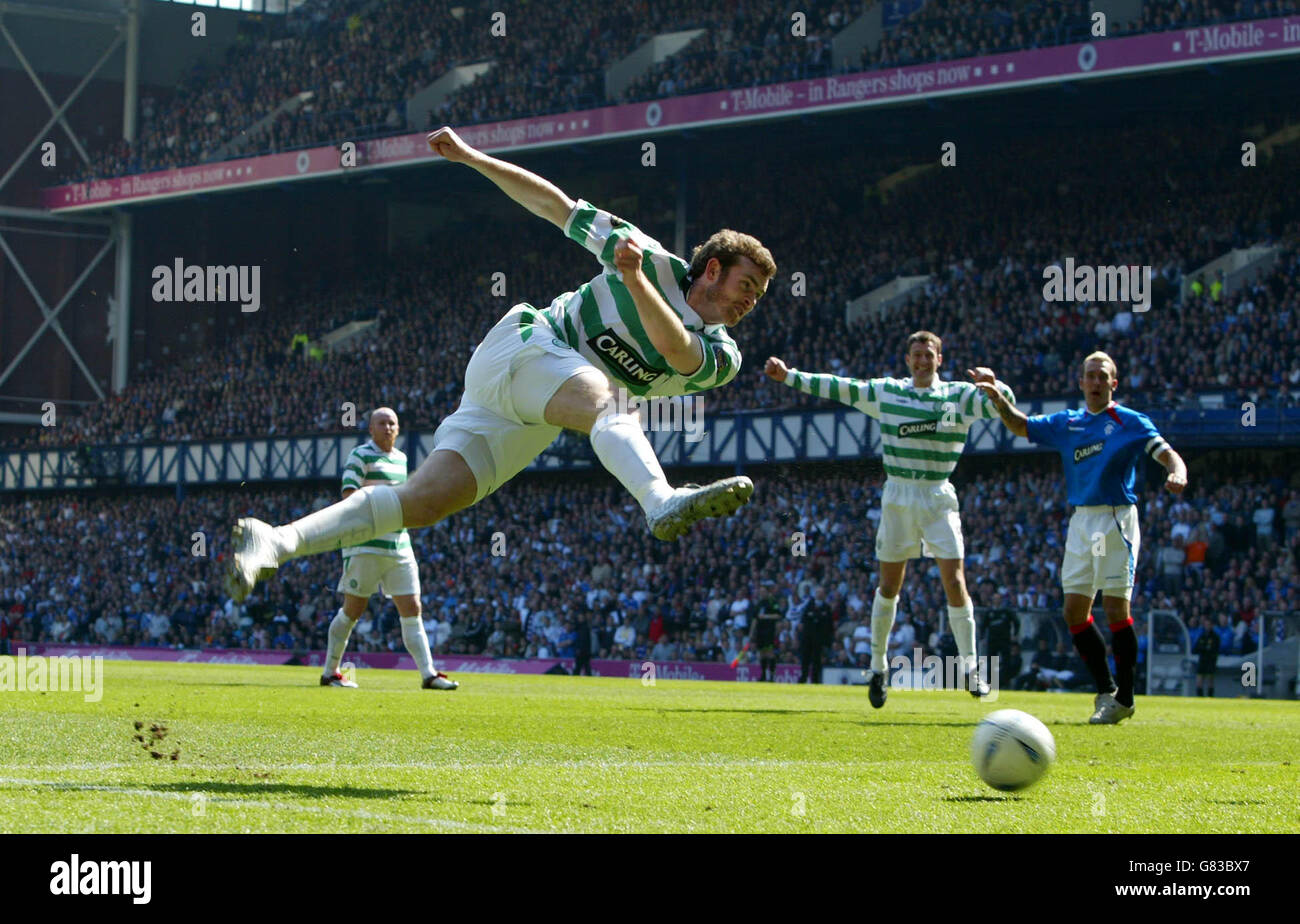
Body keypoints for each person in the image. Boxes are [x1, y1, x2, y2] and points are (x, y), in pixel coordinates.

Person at [226, 125, 776, 603]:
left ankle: (274, 541)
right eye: (745, 285)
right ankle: (659, 502)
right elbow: (556, 207)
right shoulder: (648, 258)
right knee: (614, 405)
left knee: (421, 503)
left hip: (536, 408)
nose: (749, 301)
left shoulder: (723, 354)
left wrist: (630, 281)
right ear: (711, 270)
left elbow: (677, 349)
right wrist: (472, 158)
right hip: (528, 344)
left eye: (758, 295)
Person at [766, 331, 1017, 708]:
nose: (921, 360)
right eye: (916, 354)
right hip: (899, 495)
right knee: (889, 586)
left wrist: (996, 386)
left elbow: (1005, 408)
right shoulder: (889, 393)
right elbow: (841, 387)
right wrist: (790, 376)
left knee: (955, 580)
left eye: (928, 354)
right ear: (907, 359)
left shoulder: (959, 397)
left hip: (938, 495)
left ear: (939, 359)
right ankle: (878, 667)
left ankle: (970, 668)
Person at [975, 350, 1187, 723]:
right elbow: (1021, 425)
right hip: (1081, 523)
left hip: (1114, 519)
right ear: (1080, 383)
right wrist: (997, 398)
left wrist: (1178, 472)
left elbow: (1168, 454)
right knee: (1074, 612)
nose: (1095, 382)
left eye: (1102, 376)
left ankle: (1125, 697)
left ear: (1113, 384)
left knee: (1116, 608)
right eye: (1090, 375)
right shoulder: (1067, 423)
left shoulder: (1130, 421)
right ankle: (1106, 692)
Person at [318, 408, 459, 690]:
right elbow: (348, 495)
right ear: (370, 429)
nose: (387, 427)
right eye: (381, 423)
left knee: (412, 607)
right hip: (365, 545)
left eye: (392, 423)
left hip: (399, 544)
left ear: (398, 428)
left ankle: (428, 675)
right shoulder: (360, 455)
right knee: (353, 610)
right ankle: (330, 671)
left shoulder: (401, 459)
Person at [798, 586, 833, 683]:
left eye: (821, 592)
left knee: (816, 660)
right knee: (805, 658)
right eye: (817, 592)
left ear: (824, 594)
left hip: (819, 638)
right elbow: (805, 619)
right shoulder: (809, 605)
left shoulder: (826, 607)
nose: (819, 594)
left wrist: (814, 616)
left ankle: (815, 680)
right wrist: (818, 616)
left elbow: (828, 624)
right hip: (808, 637)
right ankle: (803, 677)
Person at [750, 583, 783, 681]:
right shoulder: (759, 604)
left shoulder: (772, 602)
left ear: (768, 592)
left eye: (763, 591)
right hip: (760, 631)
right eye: (760, 592)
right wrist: (752, 632)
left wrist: (766, 616)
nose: (762, 593)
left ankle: (772, 675)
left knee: (770, 653)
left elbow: (778, 615)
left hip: (769, 631)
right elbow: (755, 619)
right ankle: (763, 675)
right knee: (762, 653)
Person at [1192, 615, 1220, 696]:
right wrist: (1205, 648)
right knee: (1199, 681)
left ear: (1212, 625)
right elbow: (1196, 648)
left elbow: (1213, 649)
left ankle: (1210, 698)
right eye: (1205, 625)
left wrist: (1204, 648)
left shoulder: (1215, 637)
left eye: (1208, 625)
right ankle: (1200, 699)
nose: (1207, 626)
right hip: (1202, 660)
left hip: (1211, 660)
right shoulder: (1202, 636)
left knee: (1210, 680)